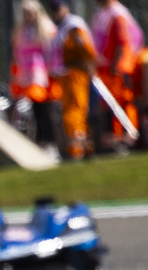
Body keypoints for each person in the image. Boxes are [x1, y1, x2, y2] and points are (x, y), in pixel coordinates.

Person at [47, 0, 97, 160]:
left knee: (76, 108)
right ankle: (80, 146)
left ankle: (79, 147)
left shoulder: (73, 26)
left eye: (59, 9)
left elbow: (85, 49)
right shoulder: (60, 28)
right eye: (54, 10)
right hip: (66, 74)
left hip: (77, 72)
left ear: (66, 8)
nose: (57, 13)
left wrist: (88, 64)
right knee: (71, 109)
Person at [91, 0, 144, 147]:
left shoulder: (117, 14)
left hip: (119, 67)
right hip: (106, 68)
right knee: (110, 104)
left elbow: (122, 42)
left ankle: (129, 135)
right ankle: (116, 136)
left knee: (123, 102)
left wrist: (115, 64)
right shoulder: (103, 14)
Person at [10, 0, 61, 149]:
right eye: (26, 13)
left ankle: (49, 142)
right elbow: (16, 53)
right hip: (26, 76)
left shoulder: (46, 28)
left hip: (42, 76)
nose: (28, 16)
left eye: (31, 13)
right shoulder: (21, 30)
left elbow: (52, 52)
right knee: (33, 112)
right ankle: (40, 142)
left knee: (44, 110)